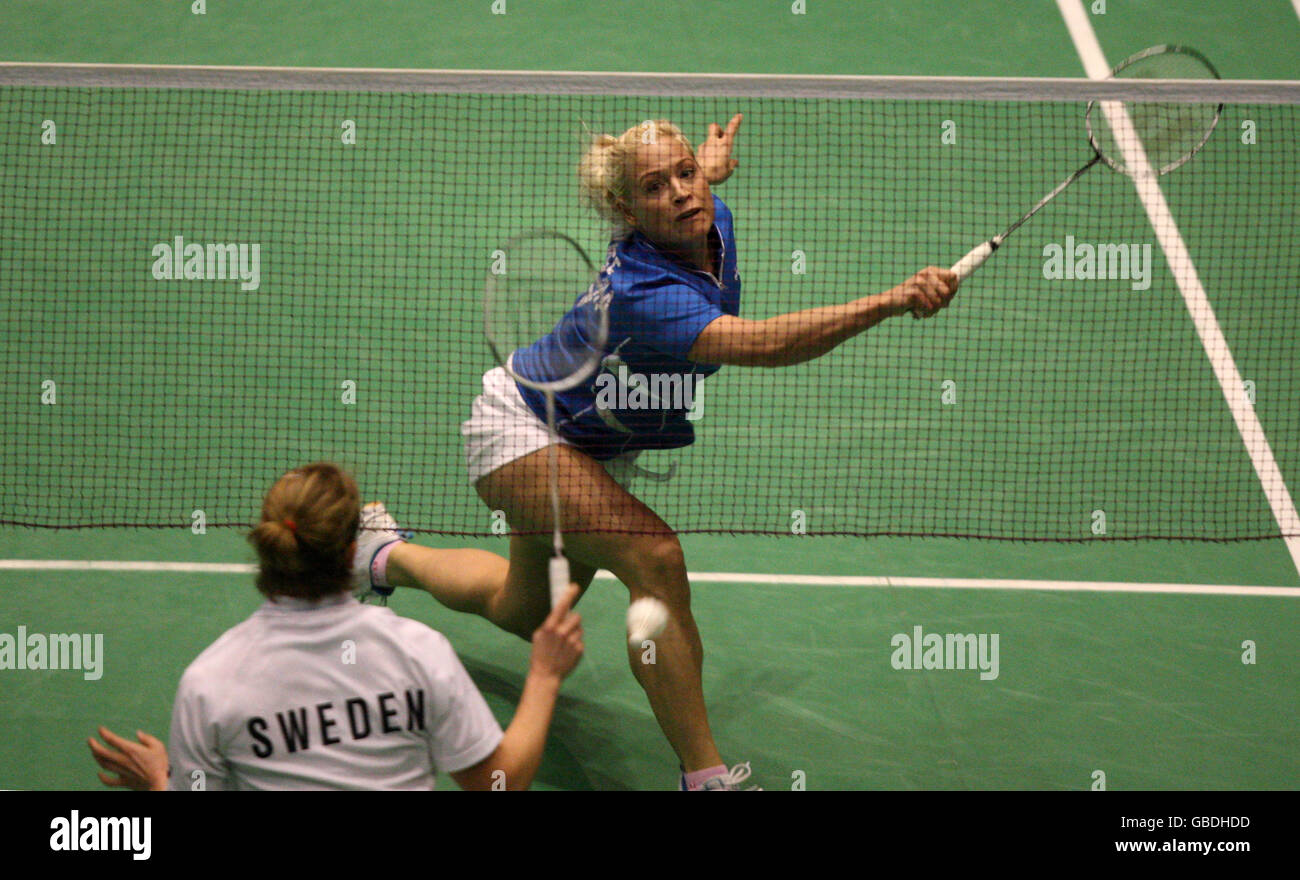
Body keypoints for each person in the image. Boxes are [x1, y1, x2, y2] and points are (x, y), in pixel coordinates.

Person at [354, 114, 958, 791]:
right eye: (654, 186)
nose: (680, 193)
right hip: (524, 431)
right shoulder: (644, 293)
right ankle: (704, 777)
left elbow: (695, 191)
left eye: (685, 174)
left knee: (525, 610)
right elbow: (763, 345)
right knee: (657, 558)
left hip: (587, 447)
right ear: (625, 211)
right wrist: (895, 299)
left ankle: (379, 553)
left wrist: (709, 168)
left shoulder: (708, 217)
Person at [88, 462, 584, 791]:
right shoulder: (416, 651)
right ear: (352, 551)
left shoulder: (209, 682)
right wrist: (544, 675)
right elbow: (497, 783)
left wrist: (159, 782)